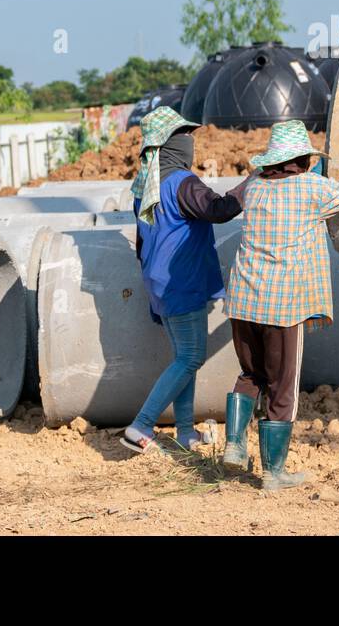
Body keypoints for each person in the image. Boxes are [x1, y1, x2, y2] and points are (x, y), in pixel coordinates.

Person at [221, 120, 339, 491]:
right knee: (282, 386)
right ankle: (274, 473)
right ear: (304, 160)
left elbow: (257, 191)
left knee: (251, 376)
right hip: (282, 307)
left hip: (242, 302)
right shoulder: (312, 189)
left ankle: (234, 445)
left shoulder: (254, 188)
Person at [120, 106, 249, 456]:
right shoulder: (181, 182)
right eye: (185, 136)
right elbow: (219, 210)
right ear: (171, 145)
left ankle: (185, 430)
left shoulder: (144, 188)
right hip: (183, 282)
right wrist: (252, 182)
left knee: (183, 356)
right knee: (191, 357)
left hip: (160, 282)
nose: (191, 142)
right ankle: (142, 425)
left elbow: (142, 242)